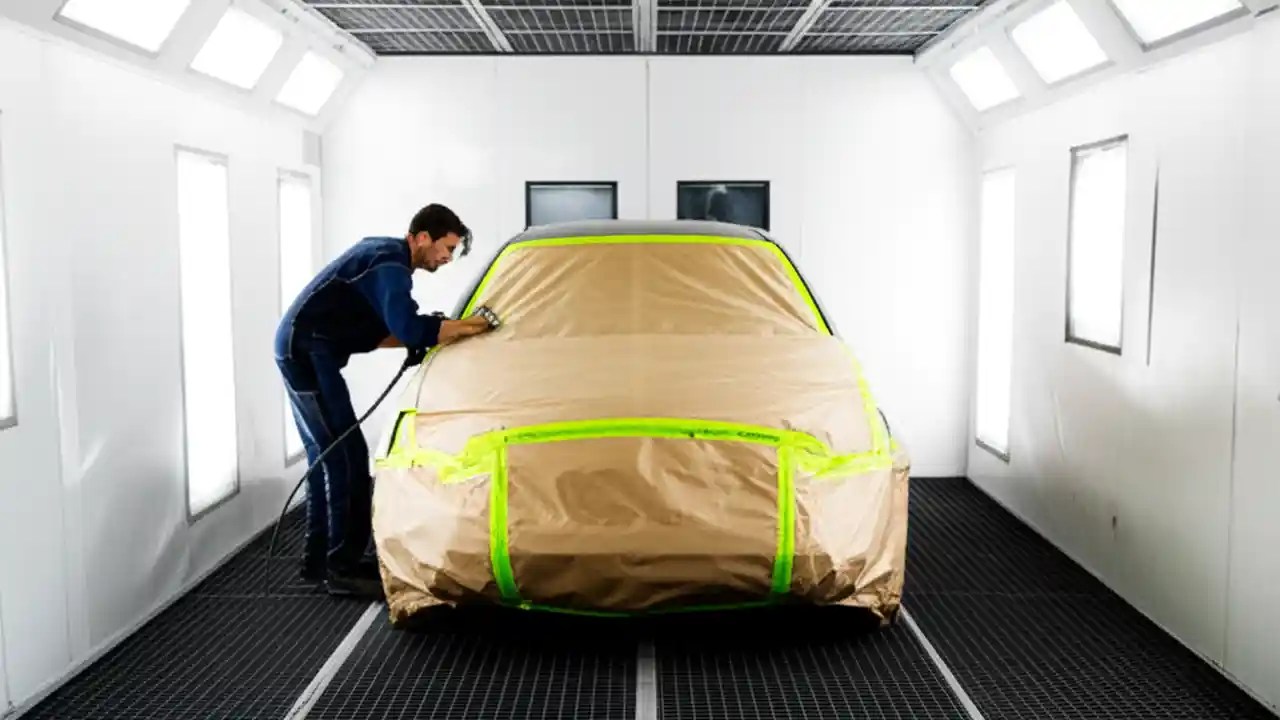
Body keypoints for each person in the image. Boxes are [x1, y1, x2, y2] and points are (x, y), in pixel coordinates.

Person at [274, 203, 495, 598]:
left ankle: (321, 560)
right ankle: (340, 570)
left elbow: (382, 333)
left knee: (326, 457)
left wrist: (439, 333)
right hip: (307, 352)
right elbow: (409, 328)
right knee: (346, 458)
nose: (447, 258)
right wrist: (473, 326)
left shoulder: (381, 257)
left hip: (299, 348)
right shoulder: (389, 265)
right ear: (421, 237)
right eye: (446, 247)